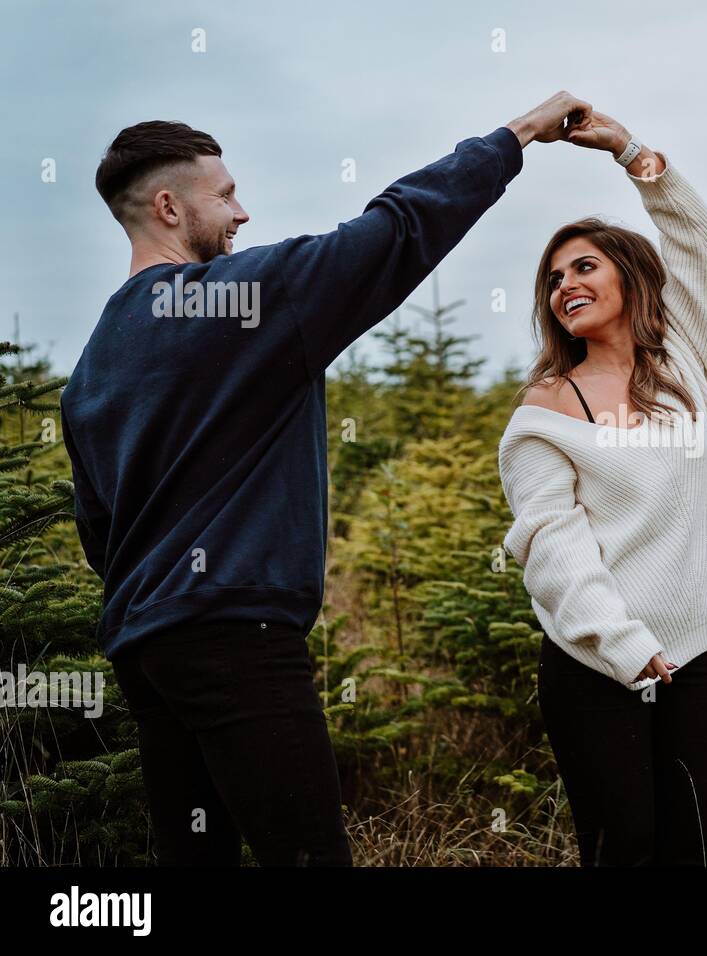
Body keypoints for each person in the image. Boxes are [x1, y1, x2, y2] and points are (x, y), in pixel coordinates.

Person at [60, 91, 592, 866]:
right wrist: (519, 135)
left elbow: (99, 532)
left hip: (148, 653)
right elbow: (396, 231)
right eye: (227, 194)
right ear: (170, 207)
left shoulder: (92, 366)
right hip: (238, 637)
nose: (243, 213)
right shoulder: (242, 306)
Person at [497, 110, 707, 866]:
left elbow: (701, 245)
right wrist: (623, 645)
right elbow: (552, 544)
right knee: (625, 849)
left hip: (698, 654)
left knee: (694, 842)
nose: (565, 285)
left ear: (628, 272)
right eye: (554, 279)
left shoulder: (681, 363)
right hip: (595, 663)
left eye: (583, 267)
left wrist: (628, 149)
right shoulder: (548, 407)